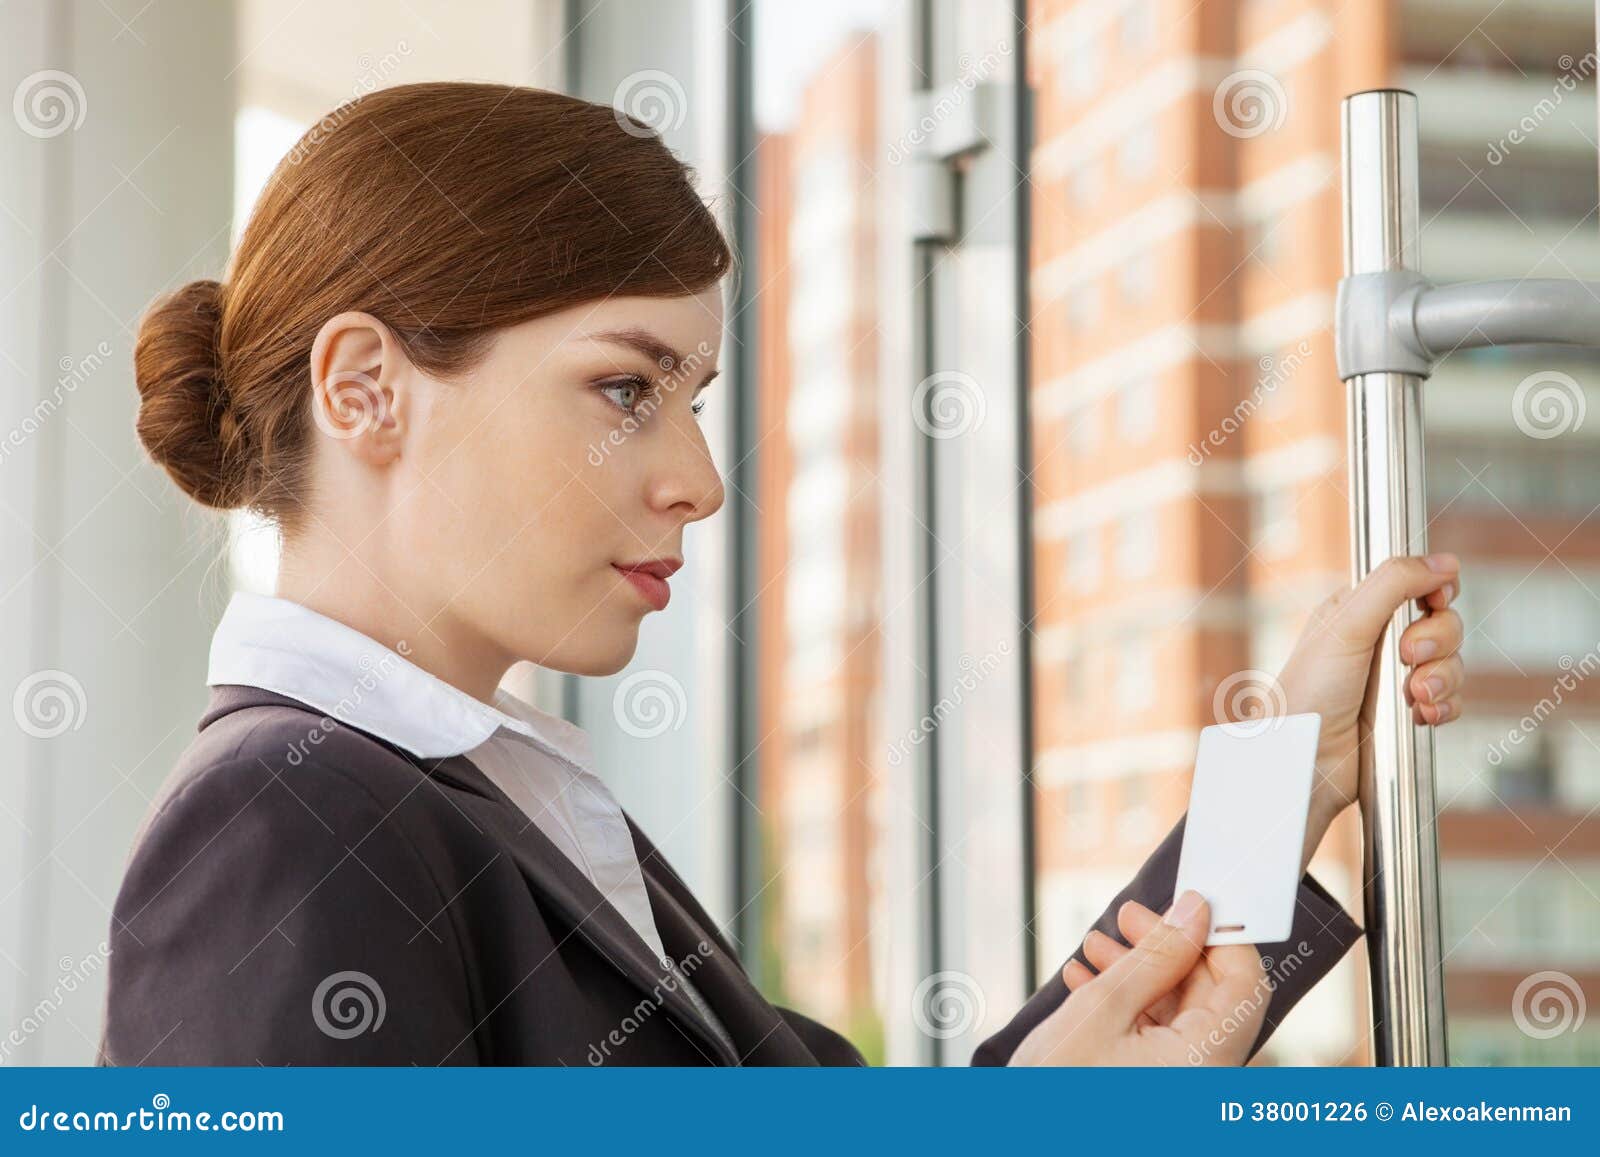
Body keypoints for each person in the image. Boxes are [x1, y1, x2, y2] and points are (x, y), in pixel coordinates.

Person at [98, 82, 1465, 1067]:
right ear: (367, 390)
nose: (700, 477)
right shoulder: (279, 832)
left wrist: (1293, 770)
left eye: (692, 395)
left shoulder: (496, 800)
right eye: (626, 387)